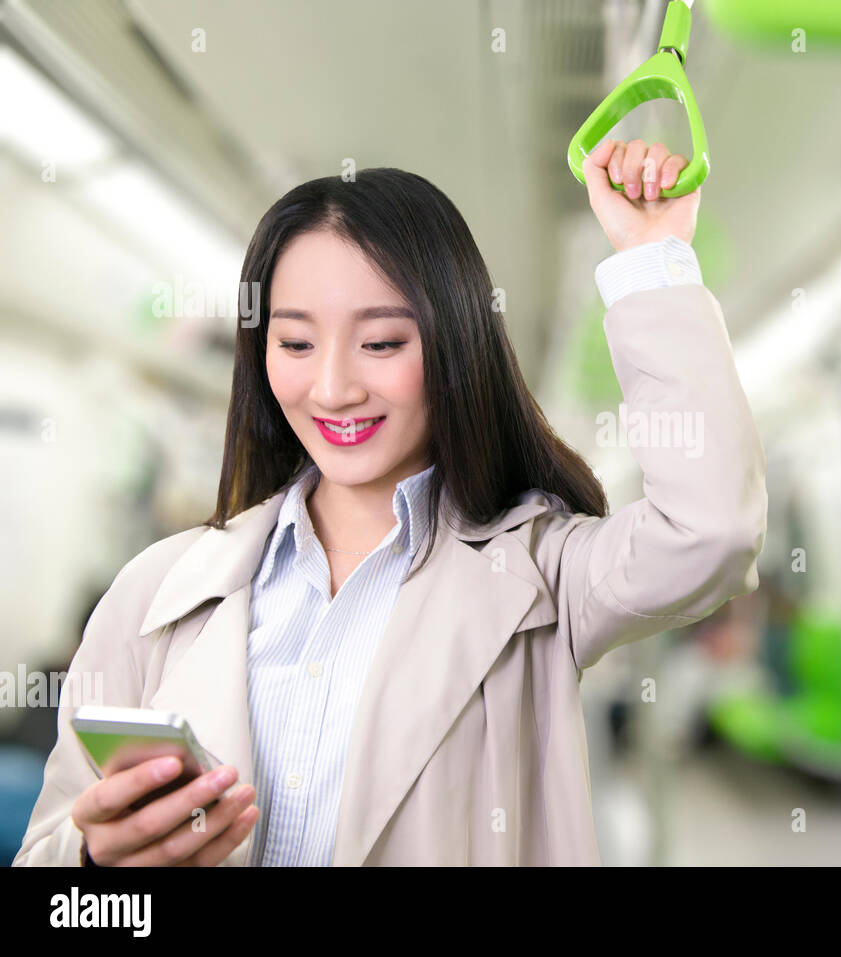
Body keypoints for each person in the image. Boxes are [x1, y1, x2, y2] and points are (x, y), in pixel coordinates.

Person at [13, 138, 767, 866]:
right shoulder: (155, 591)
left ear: (454, 347)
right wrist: (98, 865)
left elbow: (711, 532)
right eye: (296, 344)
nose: (334, 387)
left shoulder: (542, 576)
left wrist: (649, 261)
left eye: (381, 344)